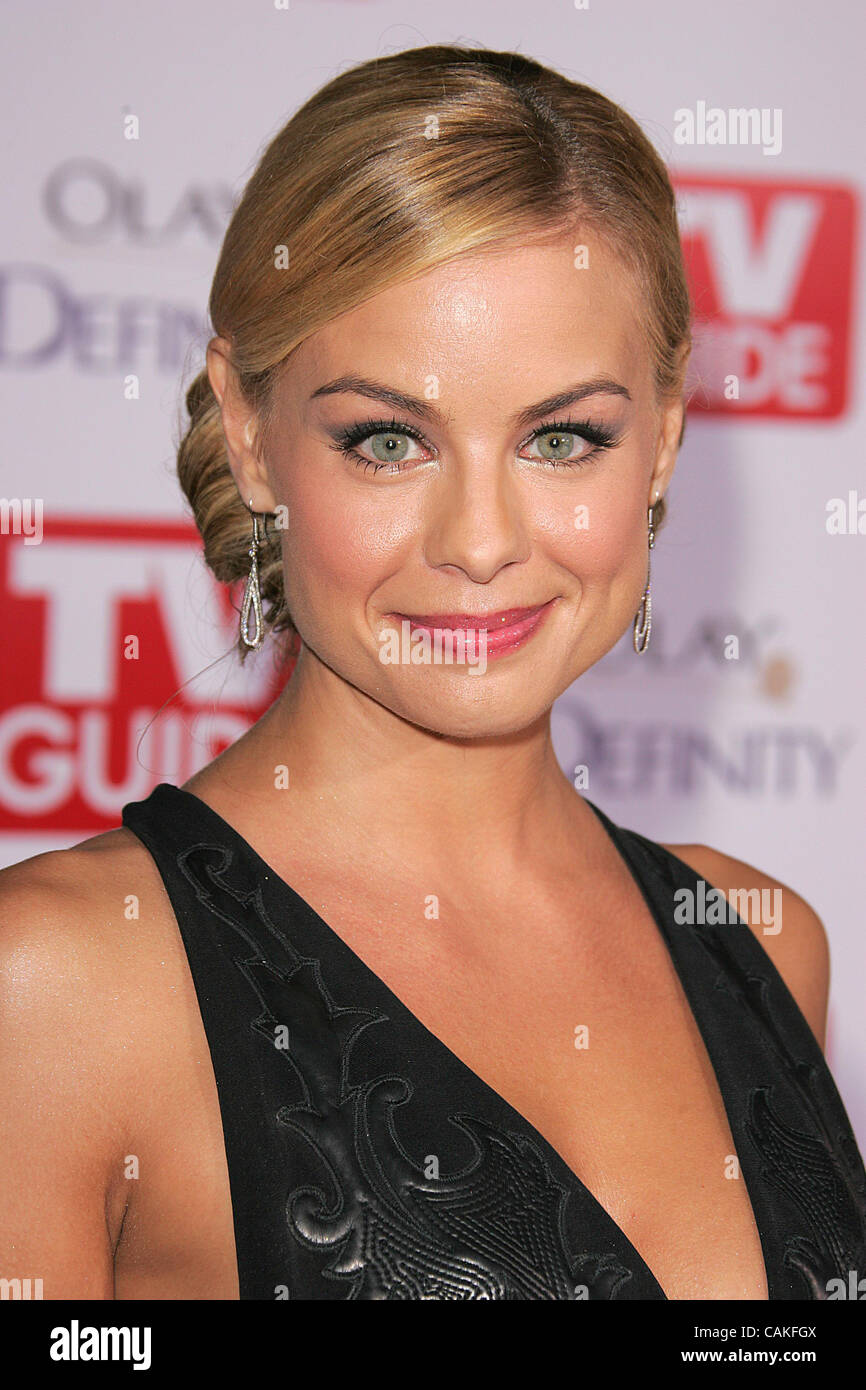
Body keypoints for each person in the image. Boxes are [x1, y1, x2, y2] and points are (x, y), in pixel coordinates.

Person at [1, 44, 864, 1302]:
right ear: (249, 437)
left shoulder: (757, 942)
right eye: (388, 439)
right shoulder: (60, 984)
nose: (478, 541)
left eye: (561, 437)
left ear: (663, 443)